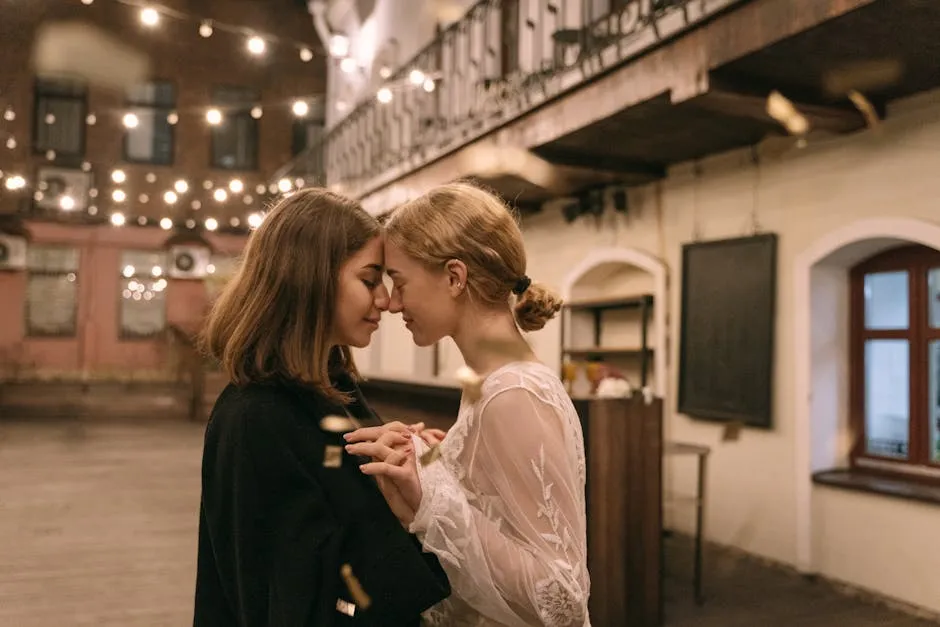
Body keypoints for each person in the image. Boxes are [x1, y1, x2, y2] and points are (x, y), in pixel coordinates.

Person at [193, 188, 450, 626]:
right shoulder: (255, 417)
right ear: (310, 277)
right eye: (369, 280)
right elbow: (289, 594)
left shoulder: (332, 384)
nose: (386, 301)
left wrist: (408, 461)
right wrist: (393, 506)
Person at [345, 182, 590, 626]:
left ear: (455, 278)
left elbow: (561, 597)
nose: (393, 303)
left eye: (399, 282)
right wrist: (432, 461)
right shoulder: (492, 384)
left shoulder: (514, 394)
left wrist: (430, 496)